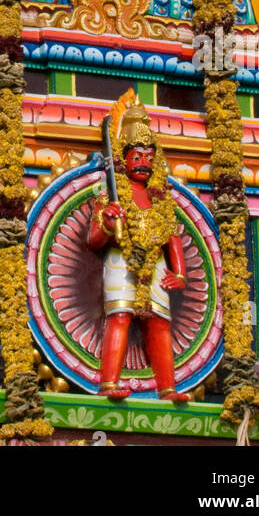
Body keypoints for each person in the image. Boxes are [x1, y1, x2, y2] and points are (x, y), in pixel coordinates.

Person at [88, 95, 189, 403]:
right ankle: (109, 383)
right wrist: (107, 221)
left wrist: (180, 274)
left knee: (159, 322)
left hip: (155, 265)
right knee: (120, 316)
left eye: (148, 156)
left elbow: (172, 239)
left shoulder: (161, 201)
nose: (143, 162)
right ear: (123, 159)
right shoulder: (112, 196)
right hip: (121, 262)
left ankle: (168, 387)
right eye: (136, 156)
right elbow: (93, 240)